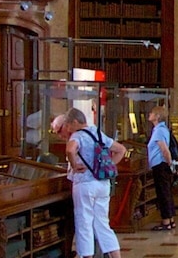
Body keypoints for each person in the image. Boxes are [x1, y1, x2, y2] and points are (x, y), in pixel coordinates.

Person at [51, 108, 125, 258]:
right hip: (102, 183)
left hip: (85, 184)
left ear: (75, 122)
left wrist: (75, 165)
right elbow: (121, 150)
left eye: (68, 125)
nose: (67, 129)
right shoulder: (97, 133)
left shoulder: (78, 135)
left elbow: (70, 150)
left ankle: (87, 256)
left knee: (84, 223)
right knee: (102, 224)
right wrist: (109, 166)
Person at [145, 105, 177, 230]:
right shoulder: (161, 129)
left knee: (163, 193)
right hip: (162, 164)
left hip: (160, 165)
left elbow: (164, 149)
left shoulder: (159, 130)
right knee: (166, 192)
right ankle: (170, 219)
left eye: (152, 113)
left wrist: (169, 163)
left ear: (157, 116)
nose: (149, 115)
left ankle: (166, 221)